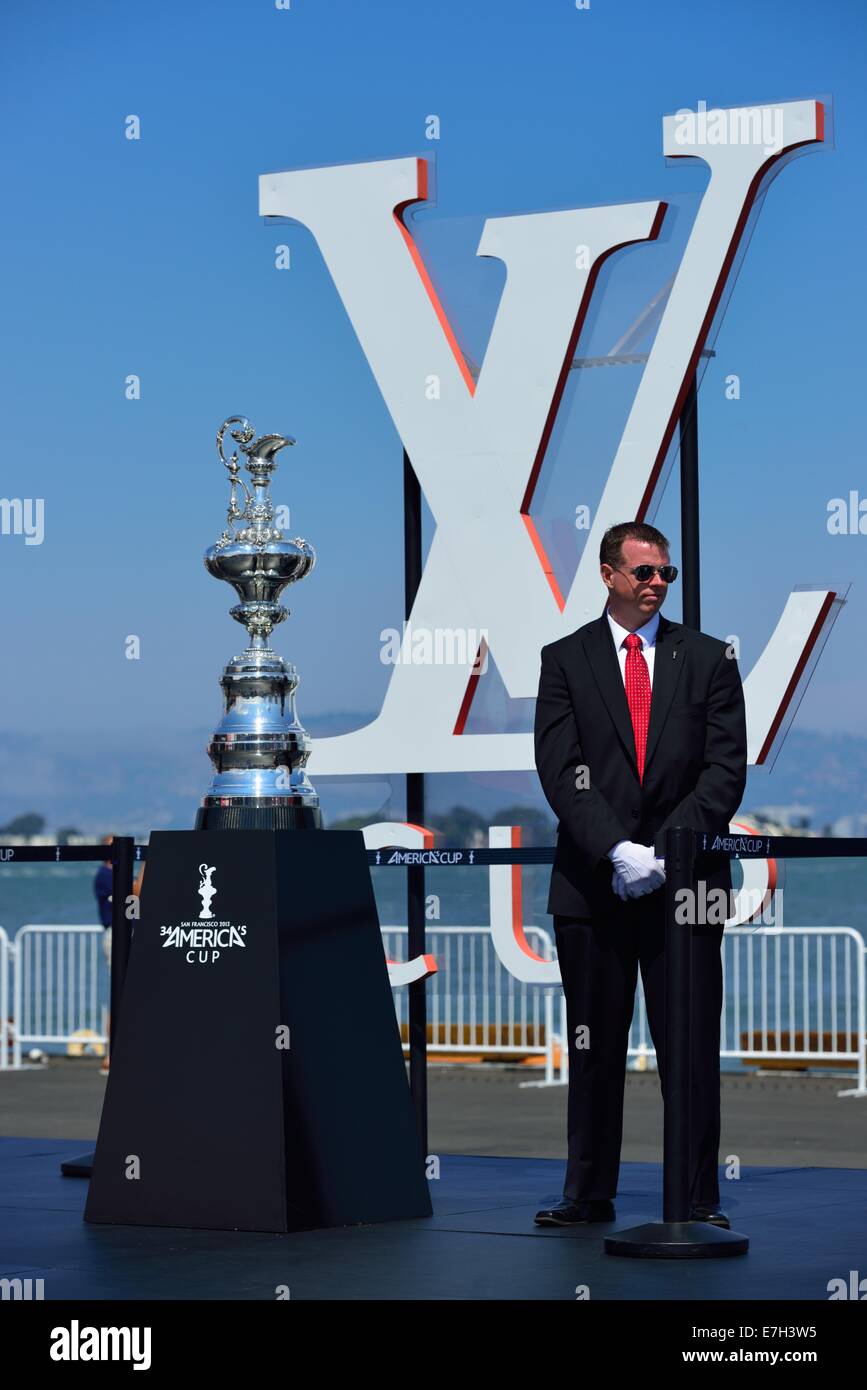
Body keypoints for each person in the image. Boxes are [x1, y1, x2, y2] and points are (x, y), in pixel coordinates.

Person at [533, 521, 747, 1229]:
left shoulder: (709, 659)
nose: (656, 584)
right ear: (607, 575)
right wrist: (616, 852)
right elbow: (561, 770)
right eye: (644, 572)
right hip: (593, 885)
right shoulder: (563, 660)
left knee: (687, 1049)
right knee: (593, 1045)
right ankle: (587, 1194)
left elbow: (722, 771)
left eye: (666, 574)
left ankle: (696, 1199)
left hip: (685, 885)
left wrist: (664, 855)